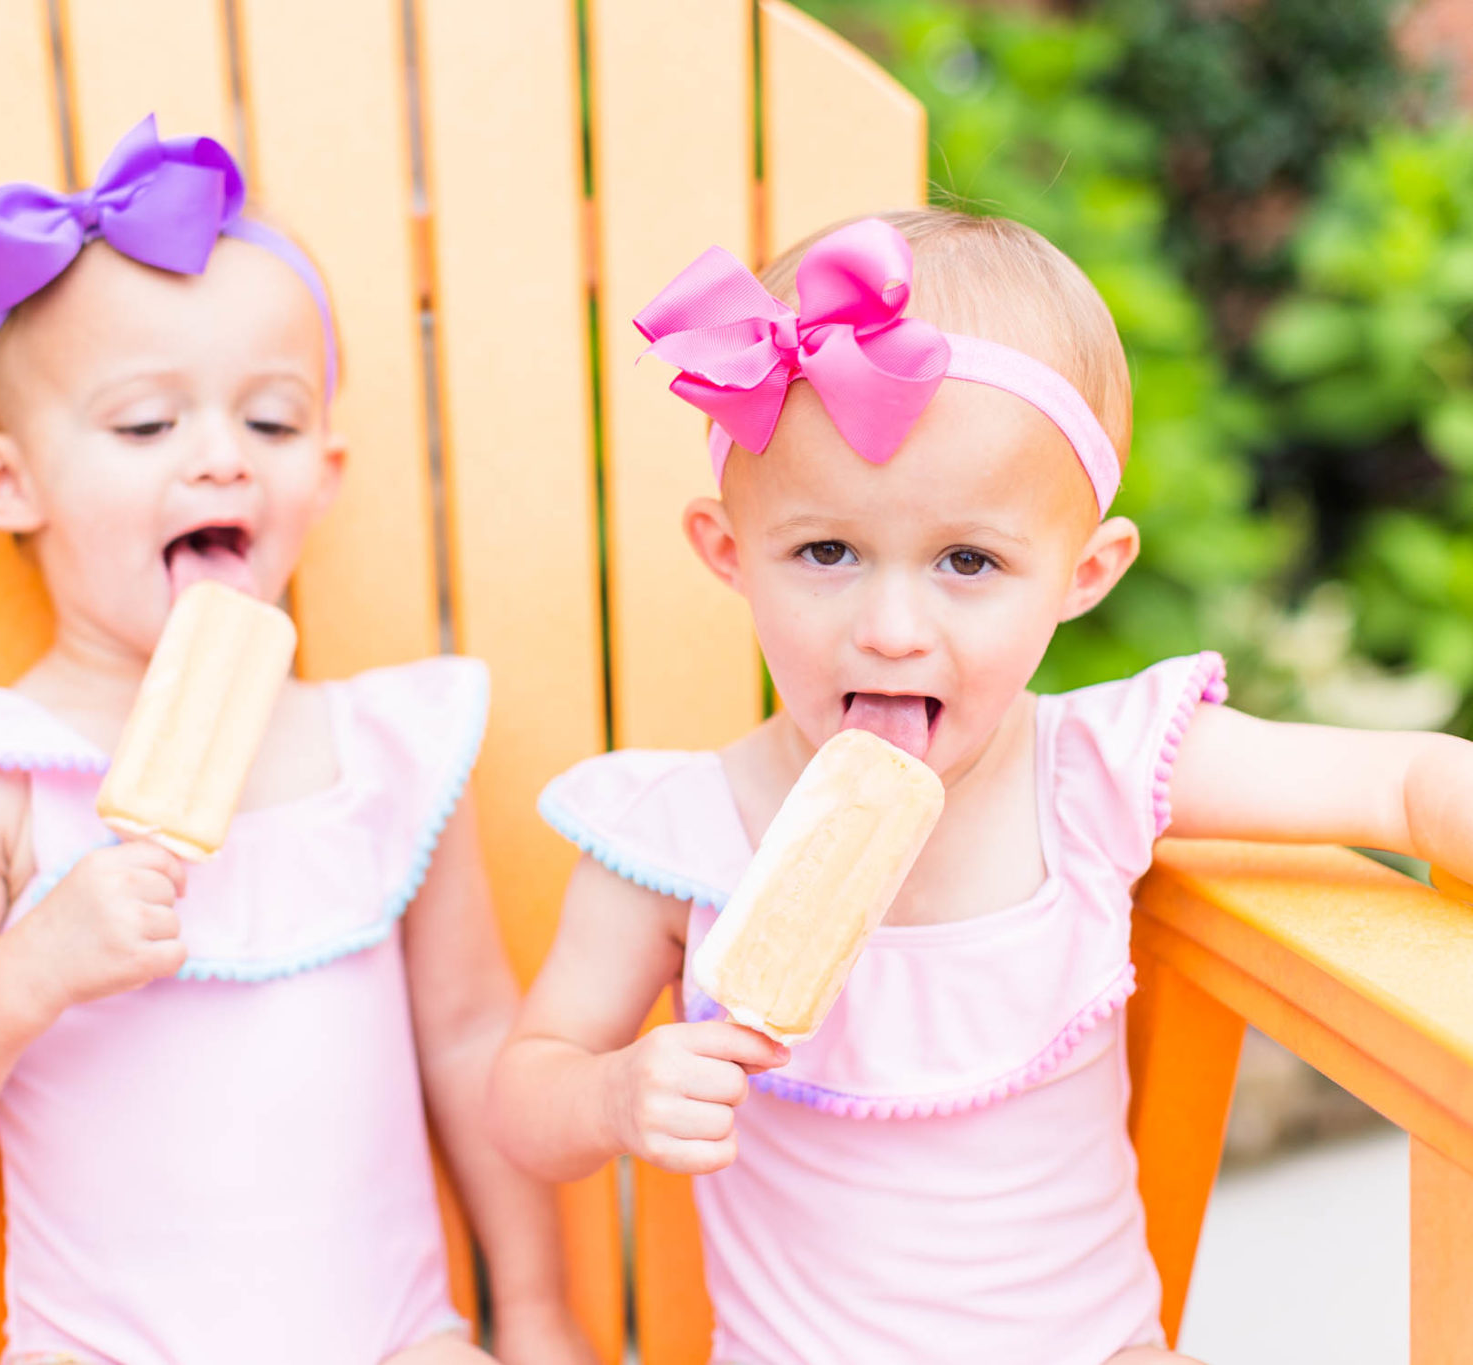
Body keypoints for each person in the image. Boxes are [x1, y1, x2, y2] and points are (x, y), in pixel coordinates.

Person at [489, 209, 1473, 1364]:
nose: (891, 630)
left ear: (1081, 573)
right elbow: (524, 1097)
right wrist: (611, 1098)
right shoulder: (677, 841)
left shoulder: (1094, 770)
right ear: (726, 551)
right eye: (825, 553)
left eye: (967, 562)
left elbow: (1405, 782)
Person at [0, 115, 595, 1365]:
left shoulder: (386, 755)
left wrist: (542, 1310)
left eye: (272, 424)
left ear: (327, 470)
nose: (221, 459)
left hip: (399, 1339)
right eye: (145, 427)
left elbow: (467, 1041)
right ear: (4, 481)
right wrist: (36, 967)